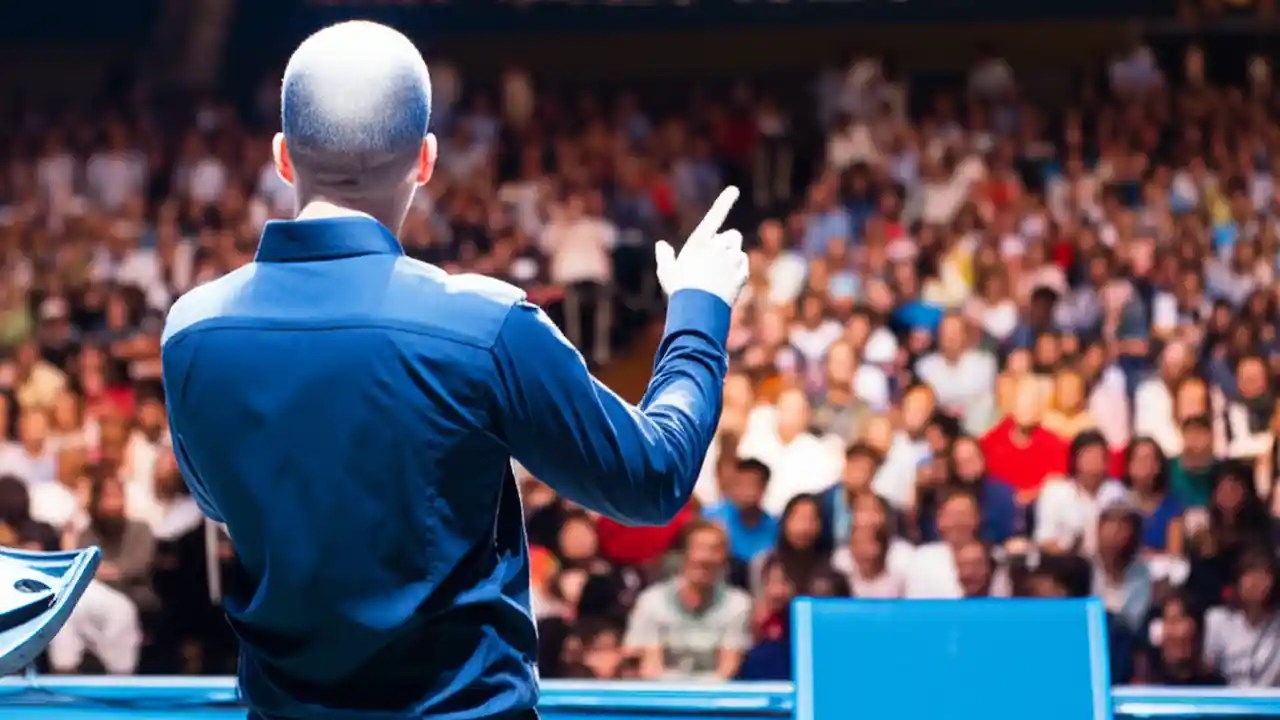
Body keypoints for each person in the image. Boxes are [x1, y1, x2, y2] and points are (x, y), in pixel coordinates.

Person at [160, 21, 748, 720]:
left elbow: (221, 503)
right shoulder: (487, 327)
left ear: (284, 158)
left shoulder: (191, 332)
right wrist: (699, 309)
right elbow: (652, 478)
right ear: (427, 159)